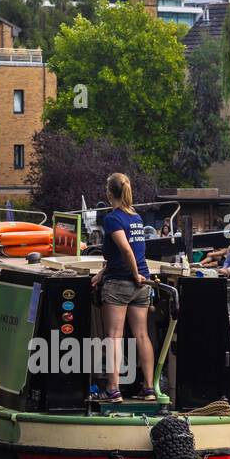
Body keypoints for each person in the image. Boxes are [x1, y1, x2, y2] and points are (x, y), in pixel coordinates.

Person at [91, 172, 156, 403]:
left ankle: (113, 389)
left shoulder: (112, 218)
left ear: (109, 193)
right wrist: (104, 272)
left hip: (121, 283)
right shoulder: (136, 217)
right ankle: (149, 389)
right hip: (142, 284)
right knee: (142, 335)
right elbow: (129, 253)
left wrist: (133, 274)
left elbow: (126, 250)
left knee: (114, 337)